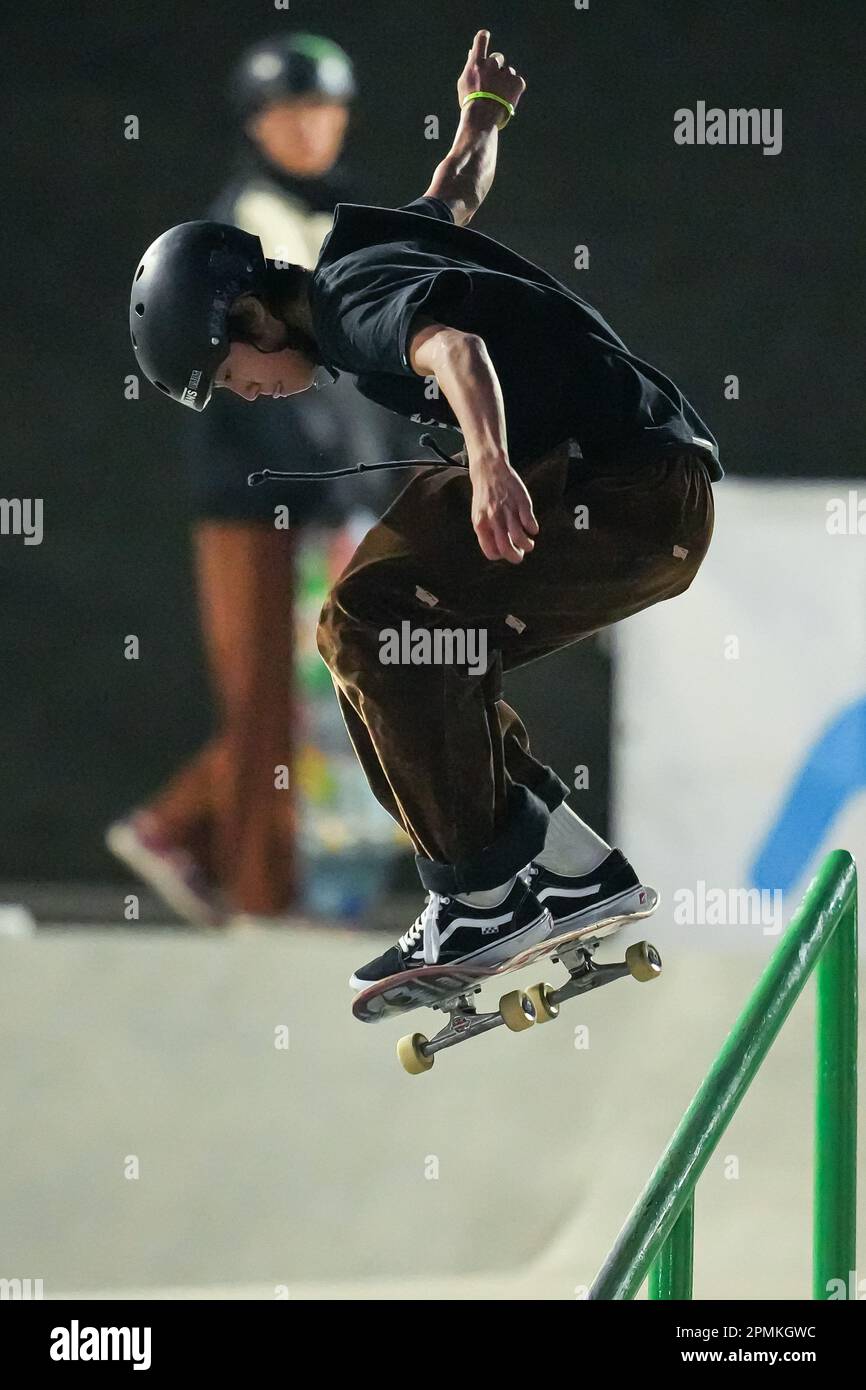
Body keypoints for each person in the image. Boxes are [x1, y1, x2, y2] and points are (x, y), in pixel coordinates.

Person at [128, 30, 720, 985]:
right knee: (413, 640)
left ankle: (479, 898)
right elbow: (456, 190)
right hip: (635, 482)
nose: (252, 394)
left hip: (624, 493)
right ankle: (571, 868)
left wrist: (489, 464)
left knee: (372, 624)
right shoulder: (364, 254)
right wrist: (485, 117)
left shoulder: (349, 307)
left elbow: (454, 350)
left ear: (251, 315)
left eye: (233, 376)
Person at [111, 33, 417, 927]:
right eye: (290, 111)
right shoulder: (233, 235)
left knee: (326, 693)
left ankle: (179, 832)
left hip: (334, 495)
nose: (311, 128)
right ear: (256, 124)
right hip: (254, 498)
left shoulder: (346, 220)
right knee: (264, 699)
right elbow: (241, 378)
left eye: (324, 109)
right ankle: (257, 899)